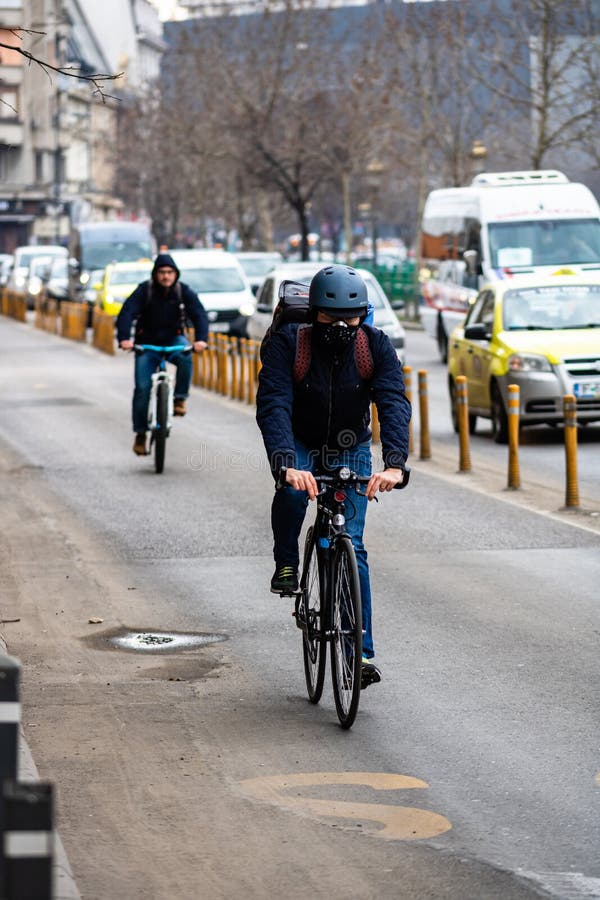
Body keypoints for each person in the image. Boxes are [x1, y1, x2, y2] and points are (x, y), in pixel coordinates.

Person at [256, 264, 411, 686]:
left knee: (353, 544)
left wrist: (395, 464)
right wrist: (287, 463)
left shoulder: (375, 346)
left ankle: (358, 654)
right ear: (314, 316)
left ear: (364, 315)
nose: (341, 326)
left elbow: (394, 402)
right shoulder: (292, 343)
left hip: (352, 445)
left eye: (351, 318)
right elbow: (273, 404)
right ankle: (287, 562)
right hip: (300, 441)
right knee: (291, 494)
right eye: (329, 319)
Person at [116, 252, 209, 455]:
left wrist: (201, 339)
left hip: (174, 340)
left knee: (186, 356)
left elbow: (199, 314)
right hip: (147, 345)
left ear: (176, 274)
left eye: (170, 272)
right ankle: (141, 434)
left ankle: (179, 398)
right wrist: (124, 338)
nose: (166, 276)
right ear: (155, 274)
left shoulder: (182, 291)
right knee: (142, 388)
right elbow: (127, 312)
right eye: (161, 272)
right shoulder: (144, 291)